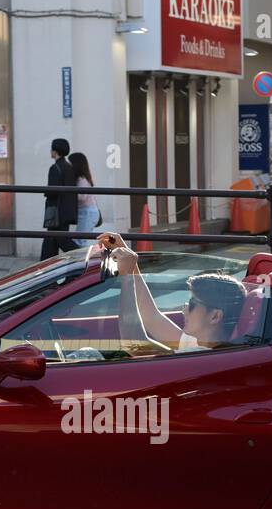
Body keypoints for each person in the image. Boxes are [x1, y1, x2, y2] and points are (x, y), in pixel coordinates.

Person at [92, 233, 246, 353]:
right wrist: (129, 260)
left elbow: (134, 344)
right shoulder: (197, 343)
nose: (184, 309)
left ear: (215, 316)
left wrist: (127, 277)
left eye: (192, 304)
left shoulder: (200, 356)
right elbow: (150, 316)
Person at [40, 137, 78, 259]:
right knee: (51, 243)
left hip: (56, 212)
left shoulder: (55, 168)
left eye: (52, 149)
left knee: (59, 242)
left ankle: (86, 256)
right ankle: (48, 272)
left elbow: (52, 191)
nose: (50, 151)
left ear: (55, 151)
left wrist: (46, 192)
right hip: (66, 211)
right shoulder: (69, 167)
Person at [69, 152, 101, 247]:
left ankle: (85, 261)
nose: (69, 166)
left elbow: (81, 197)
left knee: (80, 241)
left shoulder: (81, 179)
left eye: (70, 163)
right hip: (87, 212)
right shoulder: (82, 178)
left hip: (88, 212)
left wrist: (69, 194)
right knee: (79, 240)